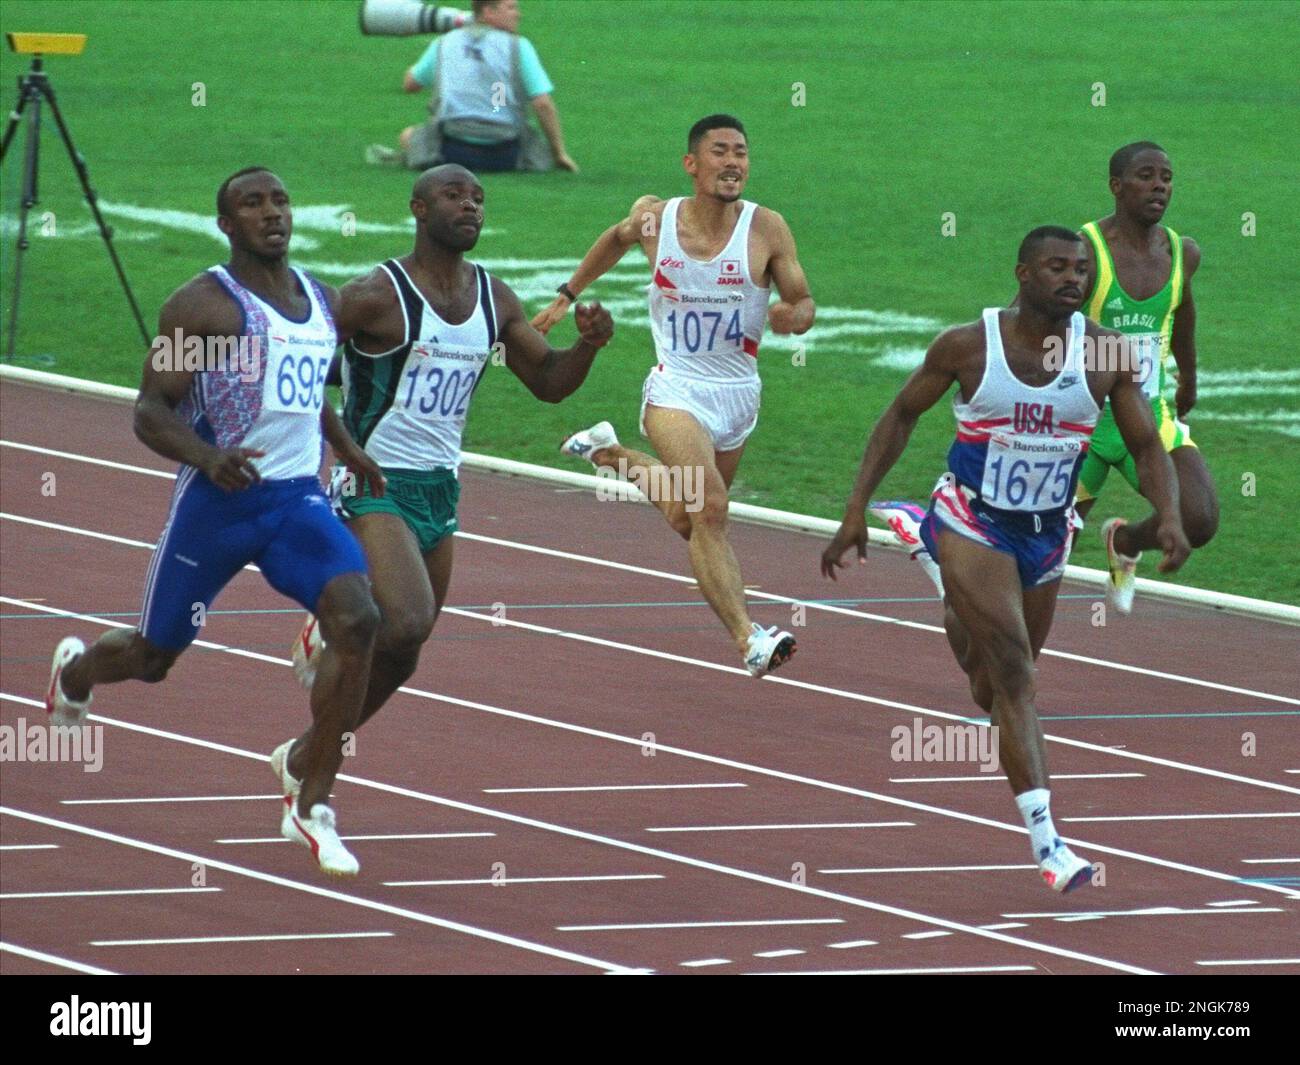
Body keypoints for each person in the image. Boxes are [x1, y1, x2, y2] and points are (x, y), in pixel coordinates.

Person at [820, 227, 1190, 893]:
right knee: (1017, 675)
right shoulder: (968, 346)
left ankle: (932, 563)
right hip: (973, 518)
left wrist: (1166, 513)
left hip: (1048, 533)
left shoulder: (1106, 353)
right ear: (1023, 274)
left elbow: (1143, 445)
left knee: (989, 687)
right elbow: (900, 415)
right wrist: (854, 507)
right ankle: (1050, 844)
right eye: (1057, 268)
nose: (1073, 278)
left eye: (1080, 268)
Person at [42, 168, 387, 877]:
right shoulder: (202, 308)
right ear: (226, 225)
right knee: (154, 657)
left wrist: (349, 449)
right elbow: (149, 409)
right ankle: (75, 672)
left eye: (281, 200)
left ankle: (311, 803)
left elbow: (305, 393)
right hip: (218, 506)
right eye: (252, 205)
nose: (272, 214)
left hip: (294, 501)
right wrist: (208, 456)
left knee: (360, 619)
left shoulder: (321, 301)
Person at [287, 164, 612, 759]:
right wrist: (341, 442)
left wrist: (586, 347)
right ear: (417, 209)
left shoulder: (493, 296)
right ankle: (335, 625)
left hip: (440, 491)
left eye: (478, 198)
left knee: (405, 653)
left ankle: (314, 750)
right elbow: (302, 365)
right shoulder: (375, 293)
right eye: (453, 195)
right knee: (405, 620)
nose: (470, 206)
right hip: (372, 484)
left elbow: (547, 380)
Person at [532, 114, 815, 677]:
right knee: (710, 508)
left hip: (738, 395)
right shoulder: (655, 222)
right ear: (692, 164)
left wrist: (792, 317)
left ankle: (610, 454)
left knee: (691, 522)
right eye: (720, 152)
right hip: (676, 389)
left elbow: (803, 299)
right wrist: (567, 295)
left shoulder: (766, 228)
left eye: (741, 152)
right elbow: (613, 241)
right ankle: (748, 638)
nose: (733, 162)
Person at [1073, 141, 1218, 611]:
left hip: (1149, 419)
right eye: (1146, 176)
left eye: (1167, 177)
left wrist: (1188, 377)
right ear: (1116, 186)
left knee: (1199, 519)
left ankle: (1127, 542)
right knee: (1044, 557)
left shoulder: (1182, 252)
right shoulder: (1085, 253)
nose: (1160, 185)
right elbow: (1031, 319)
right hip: (1083, 430)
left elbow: (1184, 312)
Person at [370, 0, 577, 173]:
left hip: (451, 151)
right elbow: (542, 104)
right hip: (506, 155)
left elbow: (410, 84)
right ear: (488, 12)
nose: (518, 14)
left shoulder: (445, 42)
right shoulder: (519, 46)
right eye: (511, 7)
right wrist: (559, 153)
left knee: (408, 136)